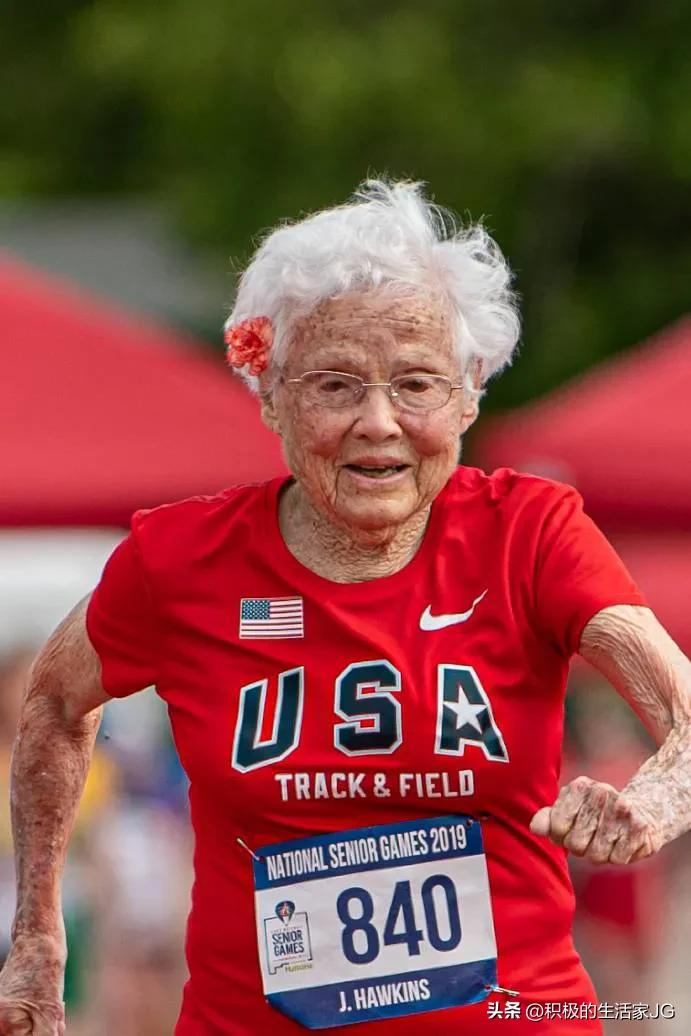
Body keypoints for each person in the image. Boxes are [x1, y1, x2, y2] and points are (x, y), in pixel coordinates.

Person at [1, 180, 689, 1036]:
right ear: (270, 393)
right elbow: (53, 702)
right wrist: (38, 933)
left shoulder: (530, 534)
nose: (378, 422)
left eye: (416, 384)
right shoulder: (177, 561)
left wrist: (651, 804)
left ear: (469, 393)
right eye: (334, 385)